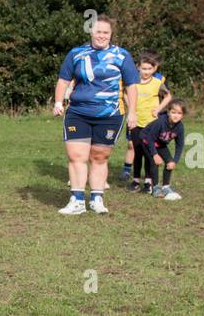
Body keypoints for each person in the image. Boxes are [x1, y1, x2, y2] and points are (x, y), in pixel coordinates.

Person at [53, 14, 140, 215]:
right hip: (78, 112)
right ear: (91, 31)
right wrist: (58, 102)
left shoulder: (122, 56)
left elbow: (131, 86)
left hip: (110, 115)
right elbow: (63, 80)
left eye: (106, 32)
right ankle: (76, 200)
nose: (102, 36)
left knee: (99, 157)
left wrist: (133, 112)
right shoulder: (76, 54)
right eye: (98, 31)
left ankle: (97, 198)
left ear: (111, 35)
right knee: (76, 155)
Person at [121, 52, 170, 192]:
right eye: (144, 68)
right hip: (135, 121)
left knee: (149, 152)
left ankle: (148, 182)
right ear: (138, 67)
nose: (146, 71)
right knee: (137, 151)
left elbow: (168, 96)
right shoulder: (132, 81)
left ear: (154, 69)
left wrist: (159, 109)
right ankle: (136, 180)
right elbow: (124, 93)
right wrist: (131, 108)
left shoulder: (157, 82)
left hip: (152, 123)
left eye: (149, 69)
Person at [138, 99, 187, 200]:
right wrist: (155, 155)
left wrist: (175, 161)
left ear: (183, 115)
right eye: (173, 112)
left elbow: (180, 145)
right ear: (168, 112)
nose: (176, 115)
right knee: (154, 162)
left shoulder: (180, 127)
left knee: (169, 163)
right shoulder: (160, 122)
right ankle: (155, 187)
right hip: (146, 140)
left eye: (179, 113)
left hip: (160, 143)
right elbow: (150, 138)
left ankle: (165, 186)